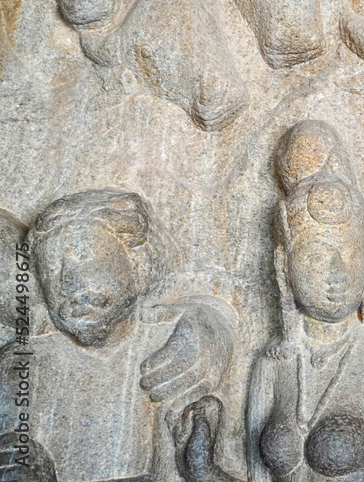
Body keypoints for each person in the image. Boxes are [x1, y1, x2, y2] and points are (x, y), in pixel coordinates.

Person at [173, 120, 364, 482]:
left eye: (349, 253)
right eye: (317, 255)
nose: (337, 270)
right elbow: (258, 478)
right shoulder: (272, 364)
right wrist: (203, 467)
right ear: (283, 269)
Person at [0, 189, 235, 482]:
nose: (68, 282)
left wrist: (204, 473)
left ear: (138, 265)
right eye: (50, 268)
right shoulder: (26, 363)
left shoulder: (169, 347)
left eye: (85, 256)